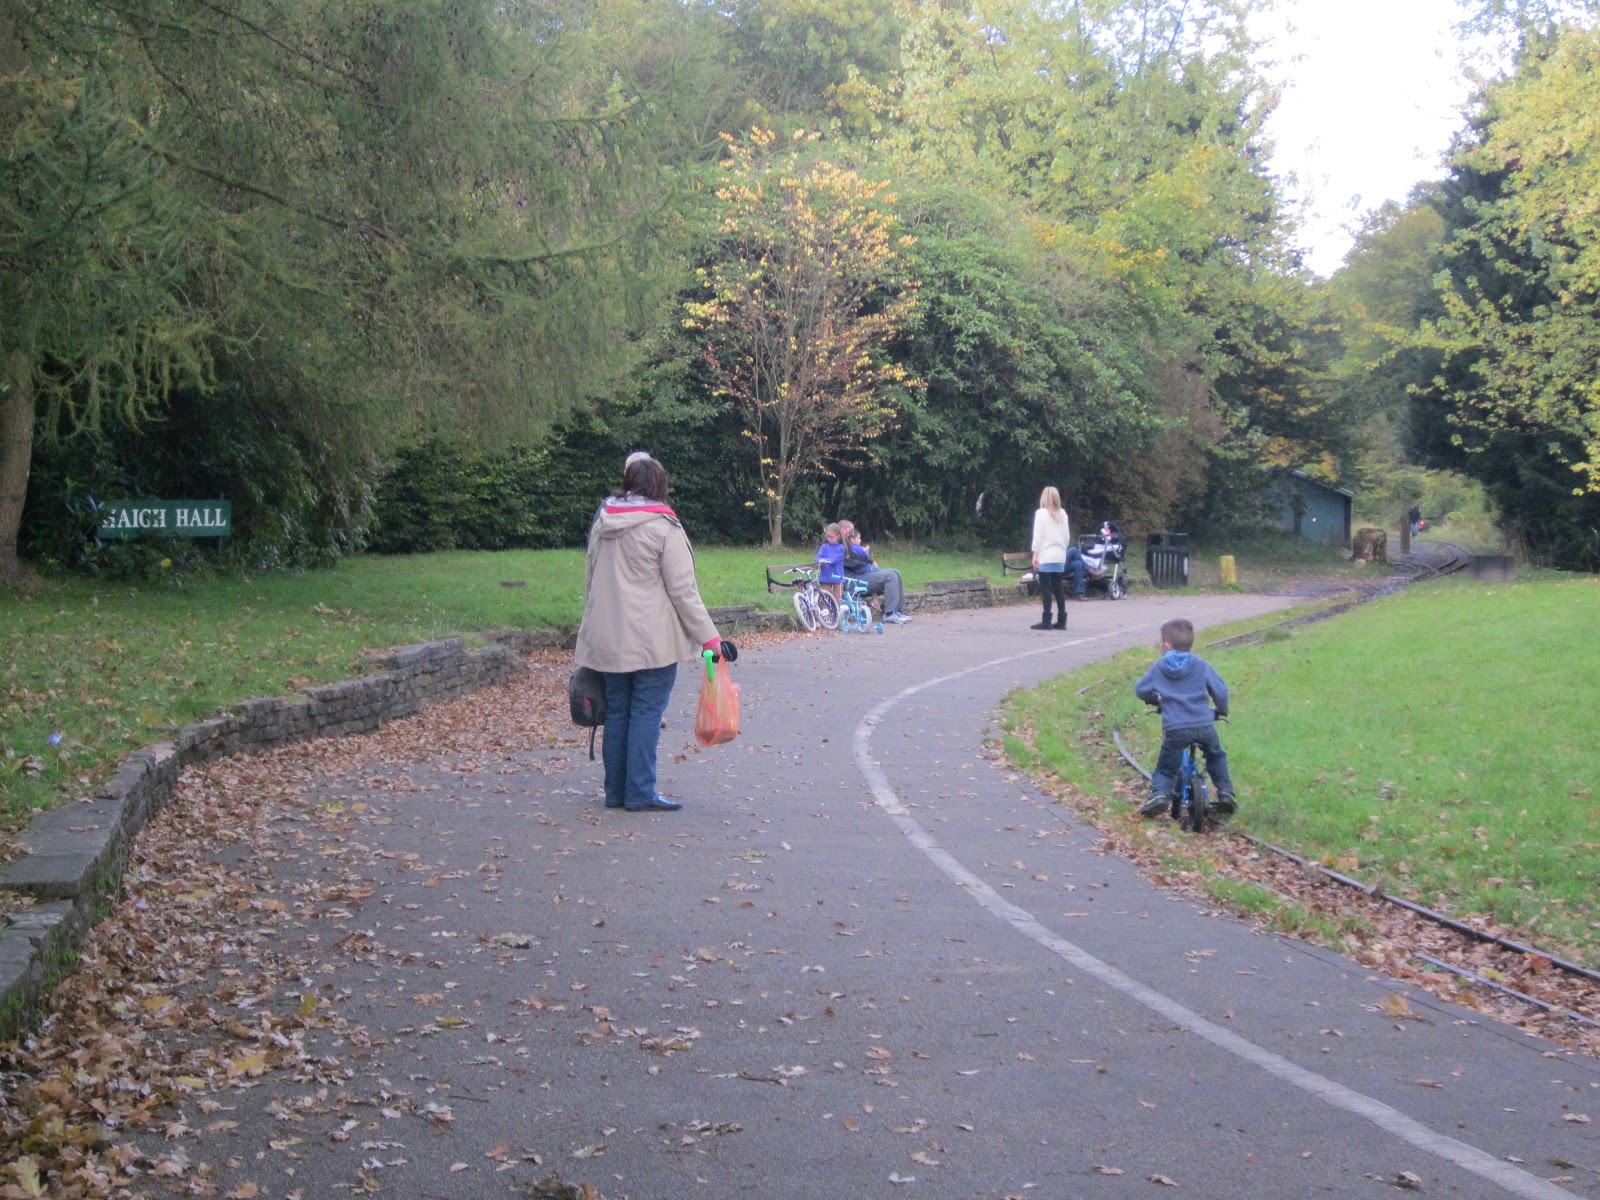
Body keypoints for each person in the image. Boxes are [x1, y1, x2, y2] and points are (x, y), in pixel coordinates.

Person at [575, 453, 733, 813]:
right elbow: (683, 591)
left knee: (617, 712)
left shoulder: (603, 524)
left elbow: (591, 579)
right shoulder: (664, 528)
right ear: (661, 485)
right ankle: (640, 792)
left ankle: (615, 792)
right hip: (652, 641)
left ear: (628, 482)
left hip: (609, 638)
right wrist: (711, 639)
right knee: (646, 712)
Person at [1134, 617, 1235, 818]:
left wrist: (1155, 699)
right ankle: (1225, 792)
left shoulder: (1159, 667)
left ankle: (1160, 796)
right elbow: (1221, 693)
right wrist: (1221, 709)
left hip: (1175, 728)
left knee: (1166, 768)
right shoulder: (1201, 665)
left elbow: (1141, 689)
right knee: (1215, 755)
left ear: (1166, 645)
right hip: (1204, 724)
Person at [837, 520, 912, 623]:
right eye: (851, 530)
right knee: (890, 576)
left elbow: (855, 559)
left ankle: (900, 611)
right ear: (843, 530)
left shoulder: (847, 544)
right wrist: (867, 561)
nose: (853, 532)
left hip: (860, 573)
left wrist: (869, 562)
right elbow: (852, 562)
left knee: (896, 572)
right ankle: (889, 614)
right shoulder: (839, 545)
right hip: (851, 579)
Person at [1030, 486, 1071, 630]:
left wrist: (1035, 552)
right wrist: (1062, 550)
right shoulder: (1063, 514)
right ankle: (1062, 620)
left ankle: (1046, 619)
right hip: (1059, 555)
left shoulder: (1040, 514)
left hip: (1046, 555)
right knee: (1058, 588)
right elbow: (1067, 537)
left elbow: (1038, 536)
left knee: (1046, 589)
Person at [815, 522, 846, 603]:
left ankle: (836, 614)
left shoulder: (841, 547)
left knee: (837, 599)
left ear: (838, 536)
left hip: (837, 577)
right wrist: (819, 561)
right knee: (823, 597)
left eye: (831, 537)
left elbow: (836, 559)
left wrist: (826, 560)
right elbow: (819, 557)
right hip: (826, 576)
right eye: (827, 536)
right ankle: (821, 614)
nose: (829, 538)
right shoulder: (824, 546)